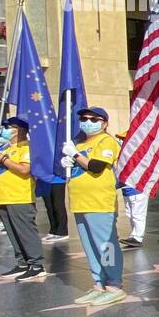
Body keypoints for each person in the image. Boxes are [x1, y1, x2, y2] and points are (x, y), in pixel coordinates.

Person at [64, 107, 126, 306]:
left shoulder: (106, 141)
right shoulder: (81, 142)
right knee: (90, 246)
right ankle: (98, 283)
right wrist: (68, 161)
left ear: (104, 123)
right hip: (80, 201)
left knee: (105, 245)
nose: (88, 121)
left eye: (94, 119)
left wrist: (74, 155)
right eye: (84, 118)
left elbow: (97, 166)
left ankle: (114, 284)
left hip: (99, 202)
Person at [0, 117, 44, 280]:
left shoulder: (26, 147)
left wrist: (2, 159)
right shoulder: (5, 148)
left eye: (8, 127)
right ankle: (22, 262)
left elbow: (24, 169)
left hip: (20, 196)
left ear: (19, 130)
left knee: (25, 232)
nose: (4, 129)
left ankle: (36, 264)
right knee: (12, 232)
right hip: (3, 196)